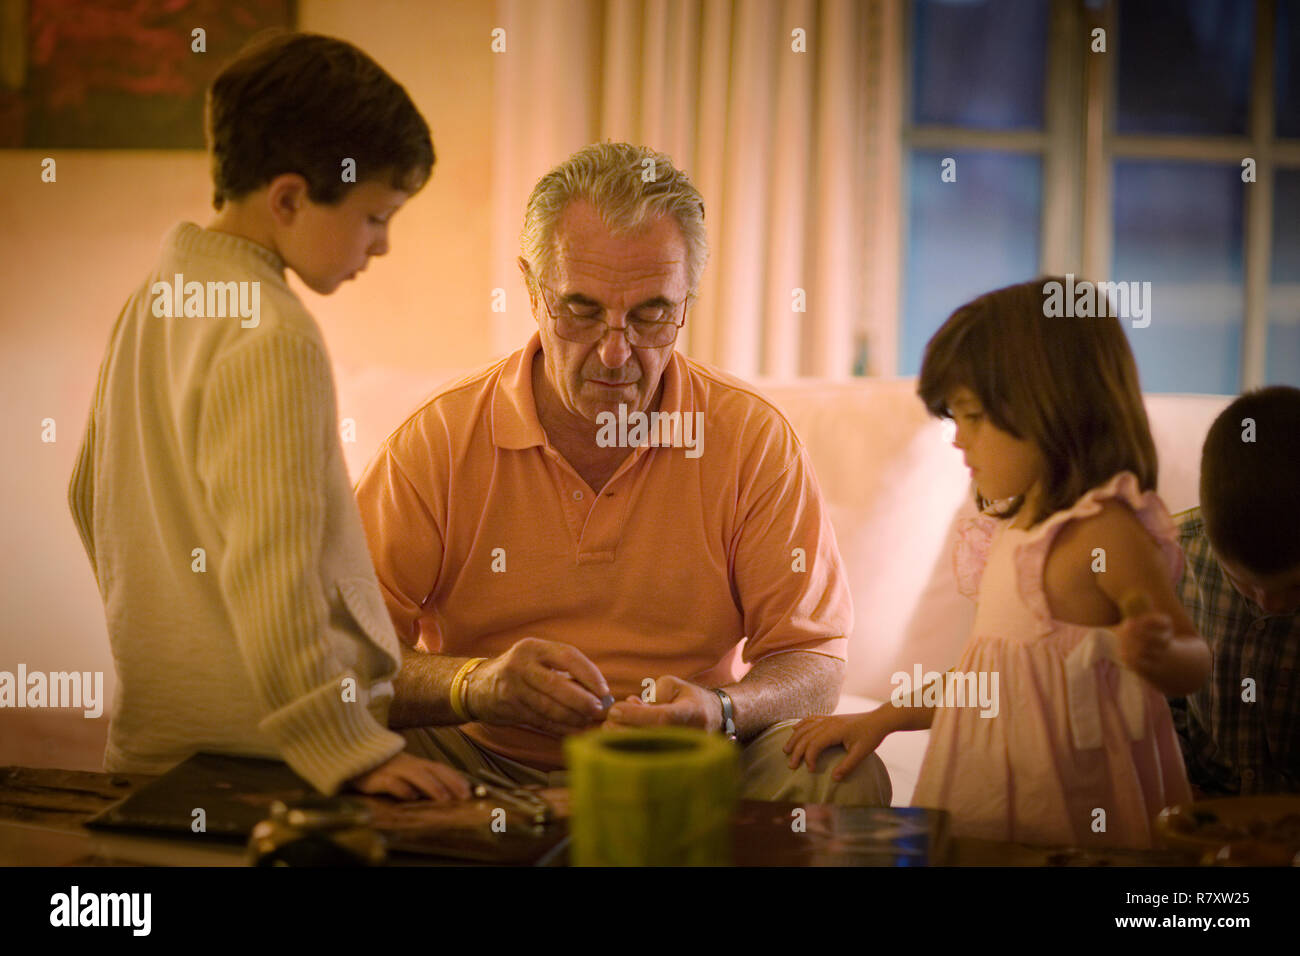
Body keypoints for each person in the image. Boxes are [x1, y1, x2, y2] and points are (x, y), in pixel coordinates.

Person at [354, 142, 889, 804]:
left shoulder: (750, 439)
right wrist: (475, 684)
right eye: (581, 309)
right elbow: (346, 659)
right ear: (531, 290)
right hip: (478, 764)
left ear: (687, 302)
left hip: (686, 770)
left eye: (650, 314)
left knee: (841, 771)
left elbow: (813, 661)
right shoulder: (435, 439)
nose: (615, 352)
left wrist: (718, 709)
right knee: (332, 749)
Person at [68, 31, 468, 802]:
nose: (381, 246)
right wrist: (349, 747)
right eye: (375, 215)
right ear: (288, 198)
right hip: (279, 768)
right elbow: (273, 571)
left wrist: (171, 631)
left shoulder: (154, 298)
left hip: (157, 743)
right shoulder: (272, 332)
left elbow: (90, 498)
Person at [785, 278, 1211, 847]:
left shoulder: (1104, 530)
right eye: (953, 418)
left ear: (1051, 406)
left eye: (974, 417)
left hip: (1074, 808)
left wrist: (1160, 650)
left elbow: (1195, 662)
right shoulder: (1011, 531)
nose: (958, 439)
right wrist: (883, 717)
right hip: (990, 797)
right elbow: (991, 677)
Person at [1169, 385, 1300, 796]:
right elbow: (1160, 705)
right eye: (1244, 584)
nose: (1270, 604)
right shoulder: (1173, 559)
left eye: (1295, 585)